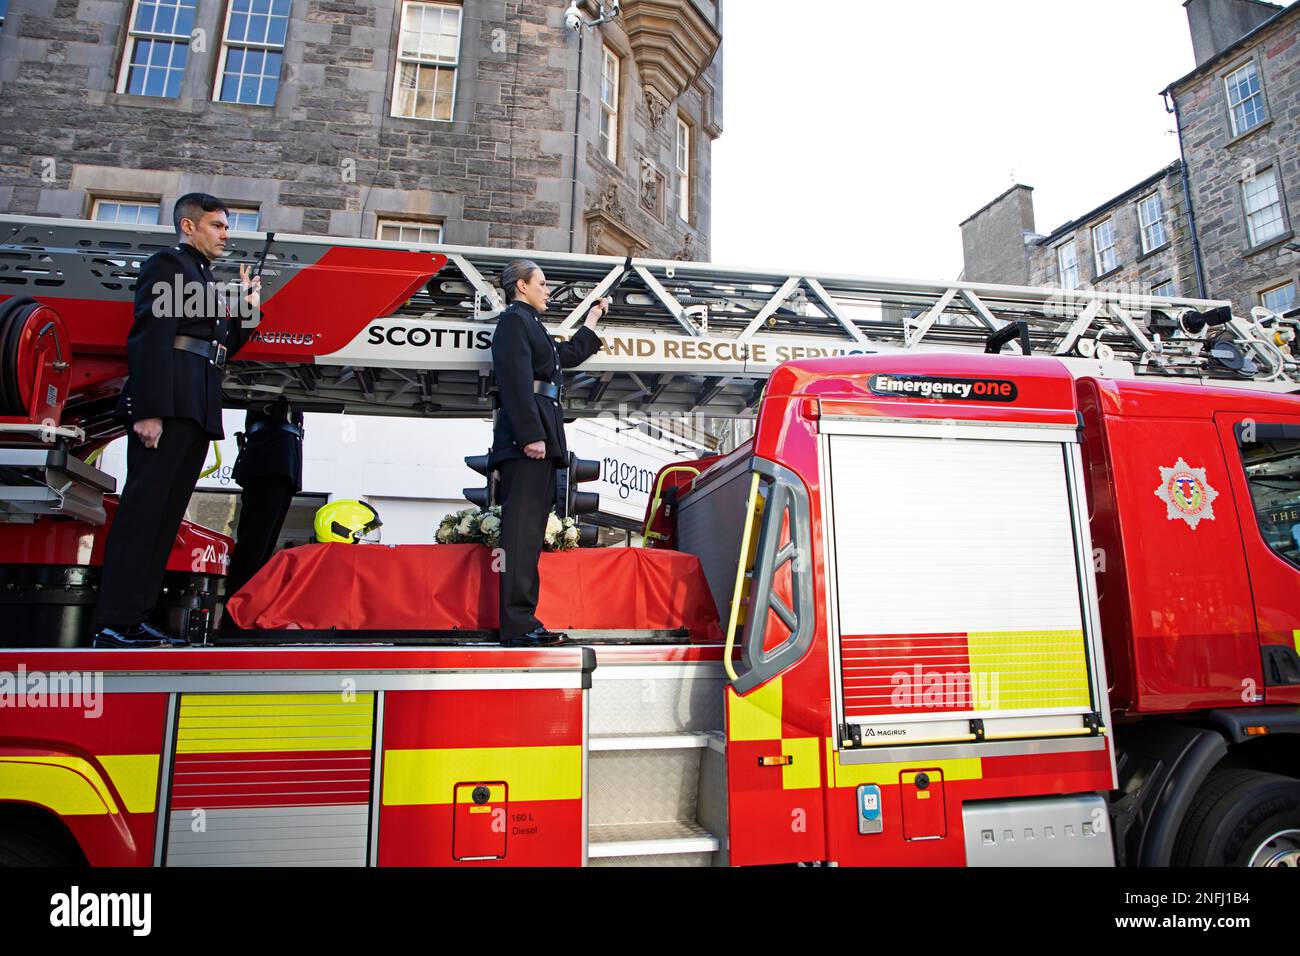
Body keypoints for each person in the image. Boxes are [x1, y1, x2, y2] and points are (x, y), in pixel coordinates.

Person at [92, 193, 260, 648]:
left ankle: (134, 617)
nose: (226, 235)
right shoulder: (169, 264)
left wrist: (248, 305)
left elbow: (223, 346)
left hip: (195, 405)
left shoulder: (203, 276)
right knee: (144, 515)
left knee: (164, 520)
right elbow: (151, 335)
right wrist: (148, 409)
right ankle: (114, 622)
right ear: (189, 227)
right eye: (218, 226)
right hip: (167, 406)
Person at [490, 260, 607, 645]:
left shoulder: (532, 325)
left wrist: (591, 319)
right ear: (521, 286)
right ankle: (517, 626)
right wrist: (529, 434)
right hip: (528, 443)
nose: (547, 290)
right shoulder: (513, 322)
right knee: (520, 536)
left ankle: (524, 620)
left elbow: (567, 356)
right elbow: (514, 380)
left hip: (542, 439)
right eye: (541, 283)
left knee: (530, 535)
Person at [225, 395, 304, 597]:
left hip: (280, 462)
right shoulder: (270, 387)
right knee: (254, 547)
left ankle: (240, 608)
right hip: (269, 460)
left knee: (261, 546)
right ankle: (236, 611)